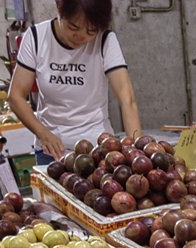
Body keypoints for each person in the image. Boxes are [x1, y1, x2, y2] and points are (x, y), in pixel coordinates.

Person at [8, 0, 142, 166]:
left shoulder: (105, 40)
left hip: (98, 150)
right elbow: (16, 96)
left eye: (91, 30)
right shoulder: (36, 37)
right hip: (52, 152)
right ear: (59, 8)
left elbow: (127, 99)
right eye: (73, 27)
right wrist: (43, 134)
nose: (82, 37)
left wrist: (137, 155)